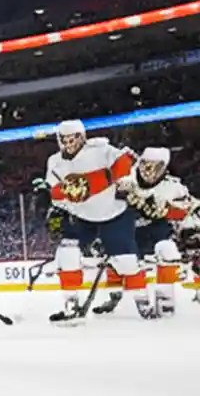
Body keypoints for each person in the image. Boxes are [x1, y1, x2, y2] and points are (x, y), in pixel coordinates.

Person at [38, 119, 155, 323]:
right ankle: (71, 304)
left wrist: (113, 181)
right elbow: (56, 194)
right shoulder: (54, 162)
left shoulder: (101, 150)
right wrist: (56, 200)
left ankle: (143, 301)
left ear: (82, 137)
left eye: (72, 138)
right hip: (82, 217)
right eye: (64, 139)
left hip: (114, 214)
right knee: (67, 253)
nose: (68, 143)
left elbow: (127, 163)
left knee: (127, 262)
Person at [90, 146, 195, 317]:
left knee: (167, 251)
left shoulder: (173, 187)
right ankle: (115, 296)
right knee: (118, 255)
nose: (149, 170)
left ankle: (165, 300)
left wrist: (165, 211)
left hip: (158, 234)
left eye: (155, 166)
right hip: (129, 233)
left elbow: (184, 211)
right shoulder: (124, 180)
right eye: (146, 164)